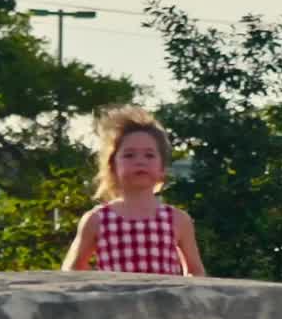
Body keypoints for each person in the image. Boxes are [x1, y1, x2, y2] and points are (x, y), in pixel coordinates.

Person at [61, 107, 206, 276]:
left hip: (164, 301)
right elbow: (72, 273)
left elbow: (195, 273)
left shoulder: (178, 220)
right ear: (112, 166)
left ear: (162, 168)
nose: (140, 162)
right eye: (129, 155)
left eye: (149, 155)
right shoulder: (96, 220)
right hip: (115, 301)